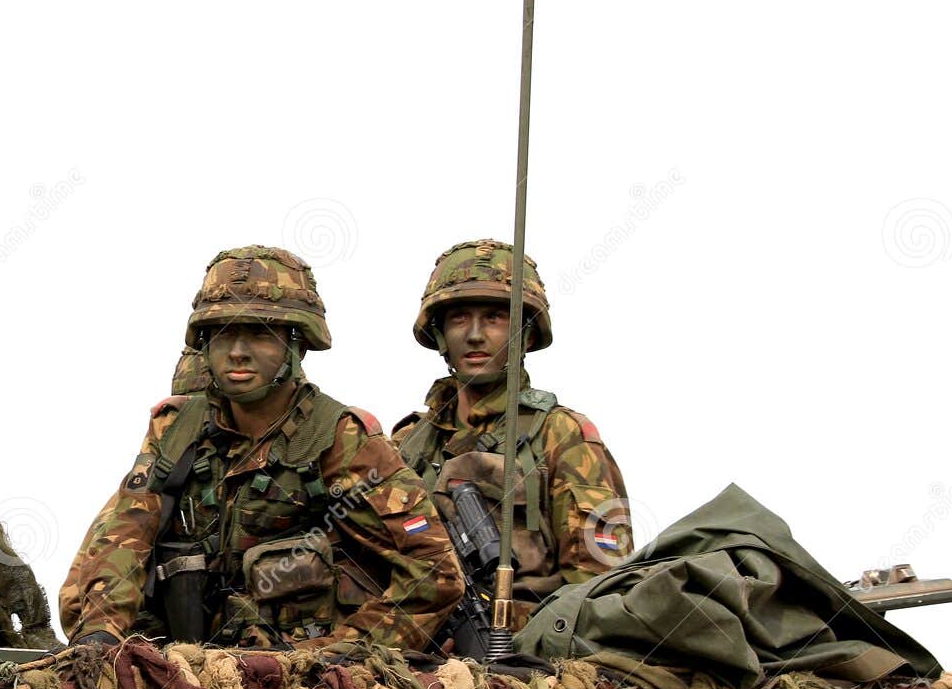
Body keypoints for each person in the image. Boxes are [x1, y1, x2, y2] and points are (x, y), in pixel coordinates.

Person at [60, 245, 463, 650]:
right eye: (223, 333)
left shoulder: (341, 438)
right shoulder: (177, 428)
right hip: (190, 667)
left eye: (259, 333)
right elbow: (121, 538)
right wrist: (102, 633)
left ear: (297, 344)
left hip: (307, 680)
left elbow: (434, 572)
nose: (237, 351)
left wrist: (339, 655)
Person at [393, 239, 632, 628]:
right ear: (439, 335)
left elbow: (599, 587)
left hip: (523, 653)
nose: (474, 335)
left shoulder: (561, 435)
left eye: (494, 318)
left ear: (527, 335)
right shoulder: (408, 444)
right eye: (458, 319)